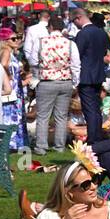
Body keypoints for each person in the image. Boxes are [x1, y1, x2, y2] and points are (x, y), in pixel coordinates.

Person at [29, 17, 79, 154]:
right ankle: (59, 146)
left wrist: (37, 74)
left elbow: (33, 60)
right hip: (65, 81)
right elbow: (75, 65)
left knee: (43, 116)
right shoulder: (70, 44)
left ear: (50, 27)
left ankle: (41, 147)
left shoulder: (40, 42)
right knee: (61, 116)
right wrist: (75, 82)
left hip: (46, 81)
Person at [73, 9, 110, 142]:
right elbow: (104, 52)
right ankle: (97, 135)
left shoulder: (83, 34)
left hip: (86, 76)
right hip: (98, 73)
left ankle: (93, 138)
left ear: (79, 18)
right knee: (96, 108)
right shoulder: (101, 33)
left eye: (75, 21)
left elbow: (76, 55)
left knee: (89, 109)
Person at [0, 28, 28, 151]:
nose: (17, 41)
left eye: (18, 38)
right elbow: (3, 64)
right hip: (12, 86)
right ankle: (12, 142)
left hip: (13, 86)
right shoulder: (6, 51)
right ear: (5, 41)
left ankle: (11, 142)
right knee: (12, 114)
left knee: (10, 113)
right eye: (13, 39)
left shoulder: (9, 52)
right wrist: (9, 75)